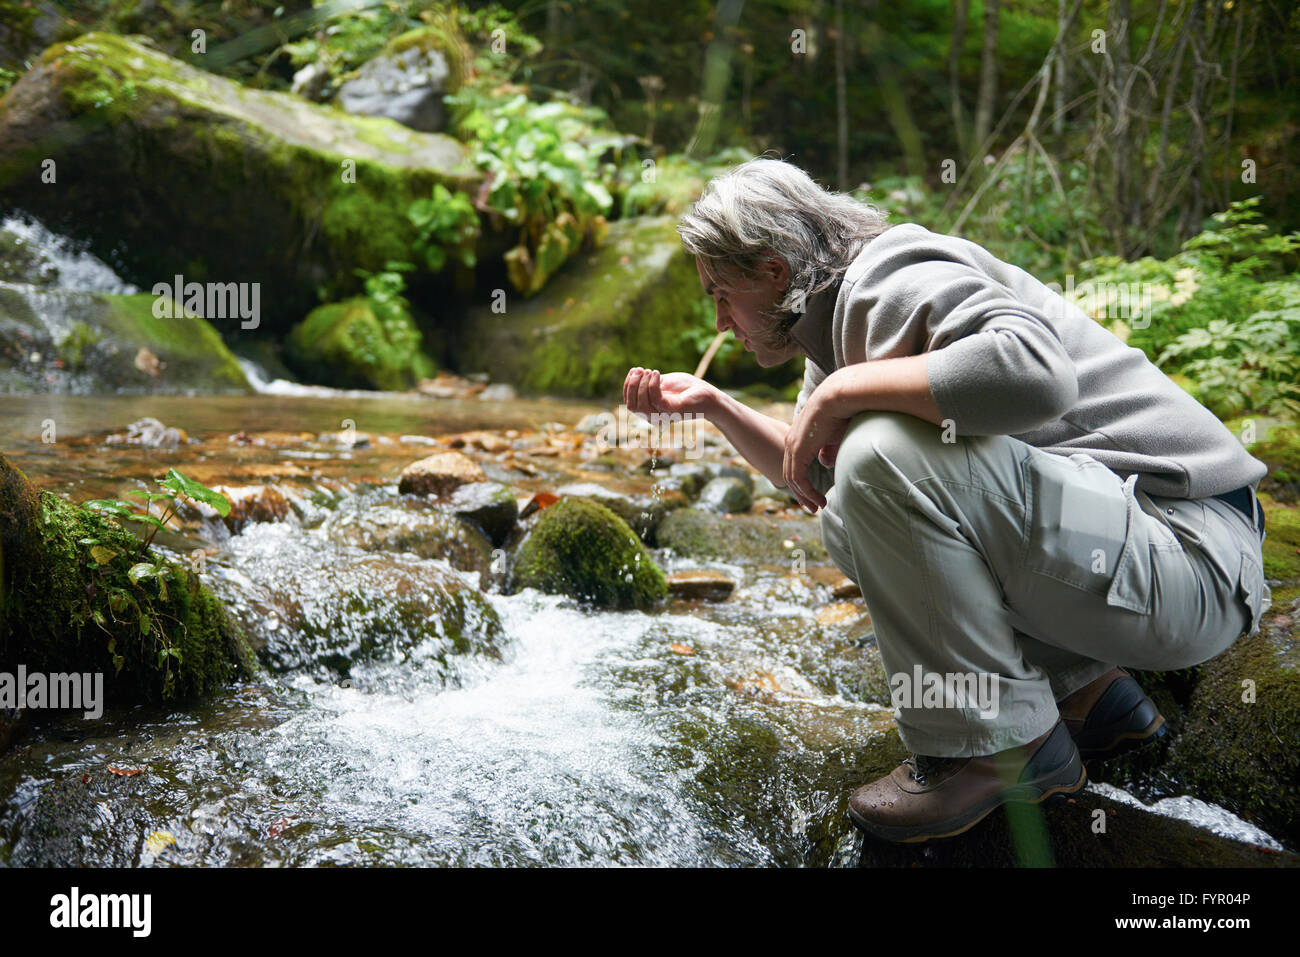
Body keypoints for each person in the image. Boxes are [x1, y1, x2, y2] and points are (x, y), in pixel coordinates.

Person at [622, 157, 1270, 844]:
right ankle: (1087, 694)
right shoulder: (832, 328)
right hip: (1152, 567)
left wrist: (848, 393)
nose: (720, 320)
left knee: (875, 458)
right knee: (852, 501)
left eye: (721, 292)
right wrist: (716, 407)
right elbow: (811, 473)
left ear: (773, 270)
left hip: (1193, 556)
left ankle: (995, 747)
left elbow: (1038, 372)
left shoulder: (891, 275)